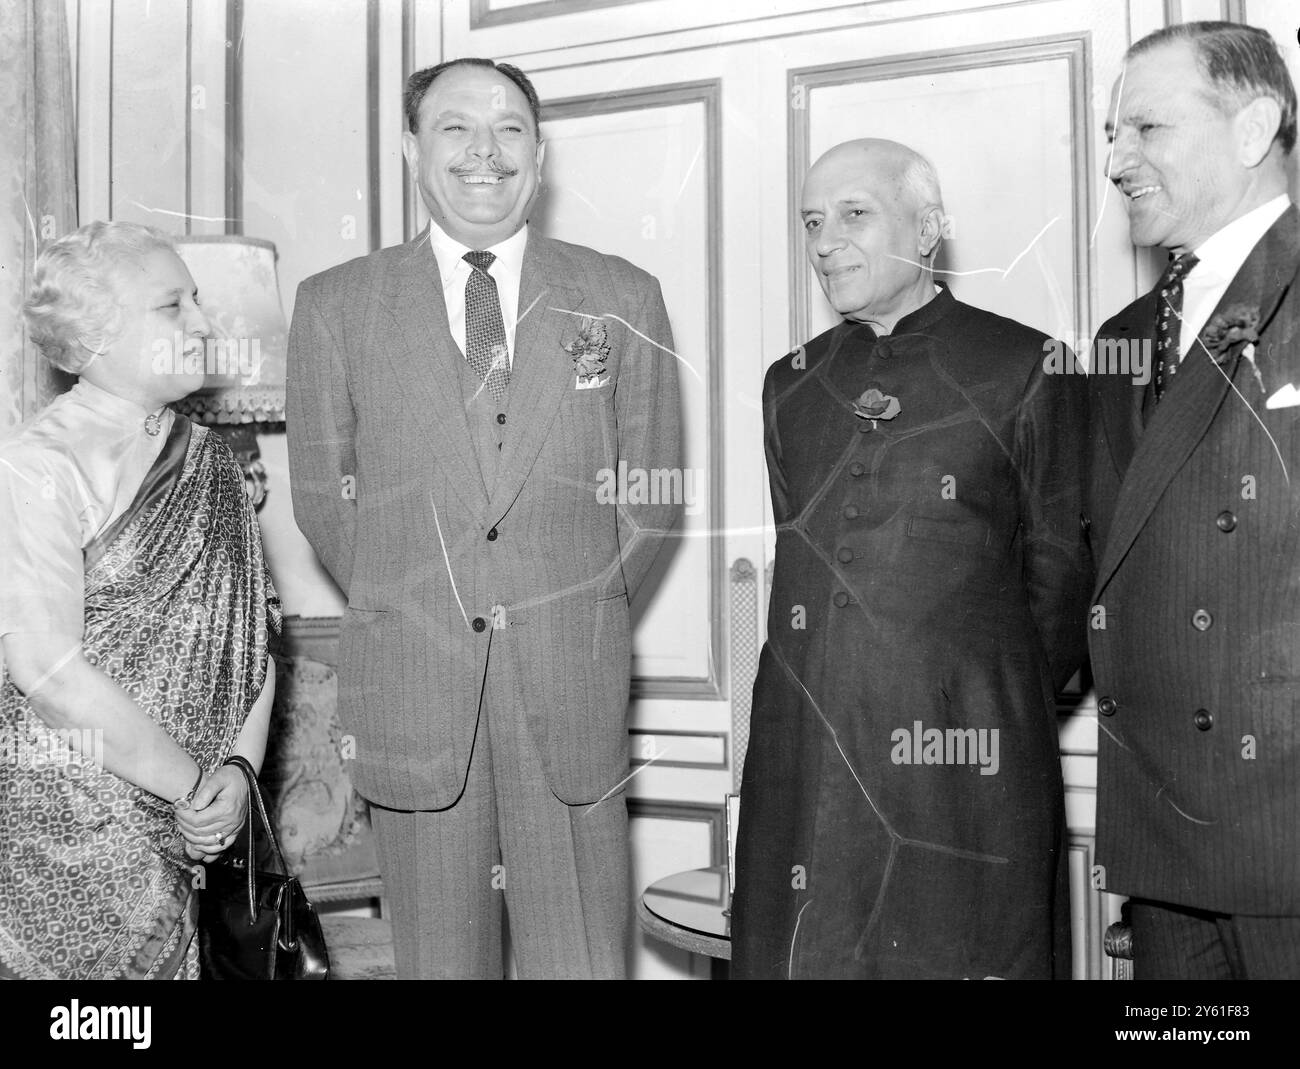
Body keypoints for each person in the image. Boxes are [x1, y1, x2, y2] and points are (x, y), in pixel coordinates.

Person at [287, 57, 681, 979]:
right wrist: (423, 606)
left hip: (569, 700)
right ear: (412, 150)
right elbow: (325, 505)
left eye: (509, 128)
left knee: (581, 961)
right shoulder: (335, 306)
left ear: (539, 155)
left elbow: (652, 502)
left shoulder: (623, 296)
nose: (484, 150)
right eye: (456, 127)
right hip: (416, 697)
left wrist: (567, 610)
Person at [731, 139, 1091, 979]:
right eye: (812, 222)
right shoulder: (790, 382)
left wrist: (966, 694)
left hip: (962, 772)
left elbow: (1062, 585)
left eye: (854, 214)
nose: (825, 242)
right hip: (802, 756)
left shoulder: (1027, 365)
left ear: (928, 229)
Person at [0, 221, 279, 979]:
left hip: (206, 830)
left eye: (197, 300)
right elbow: (47, 670)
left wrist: (234, 777)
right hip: (71, 829)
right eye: (173, 305)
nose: (202, 322)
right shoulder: (37, 466)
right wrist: (190, 785)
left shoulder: (213, 460)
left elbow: (254, 639)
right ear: (97, 334)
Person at [1089, 21, 1300, 979]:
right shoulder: (1124, 335)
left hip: (1284, 836)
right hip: (1162, 834)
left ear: (1254, 128)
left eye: (1146, 129)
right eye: (1110, 135)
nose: (1117, 161)